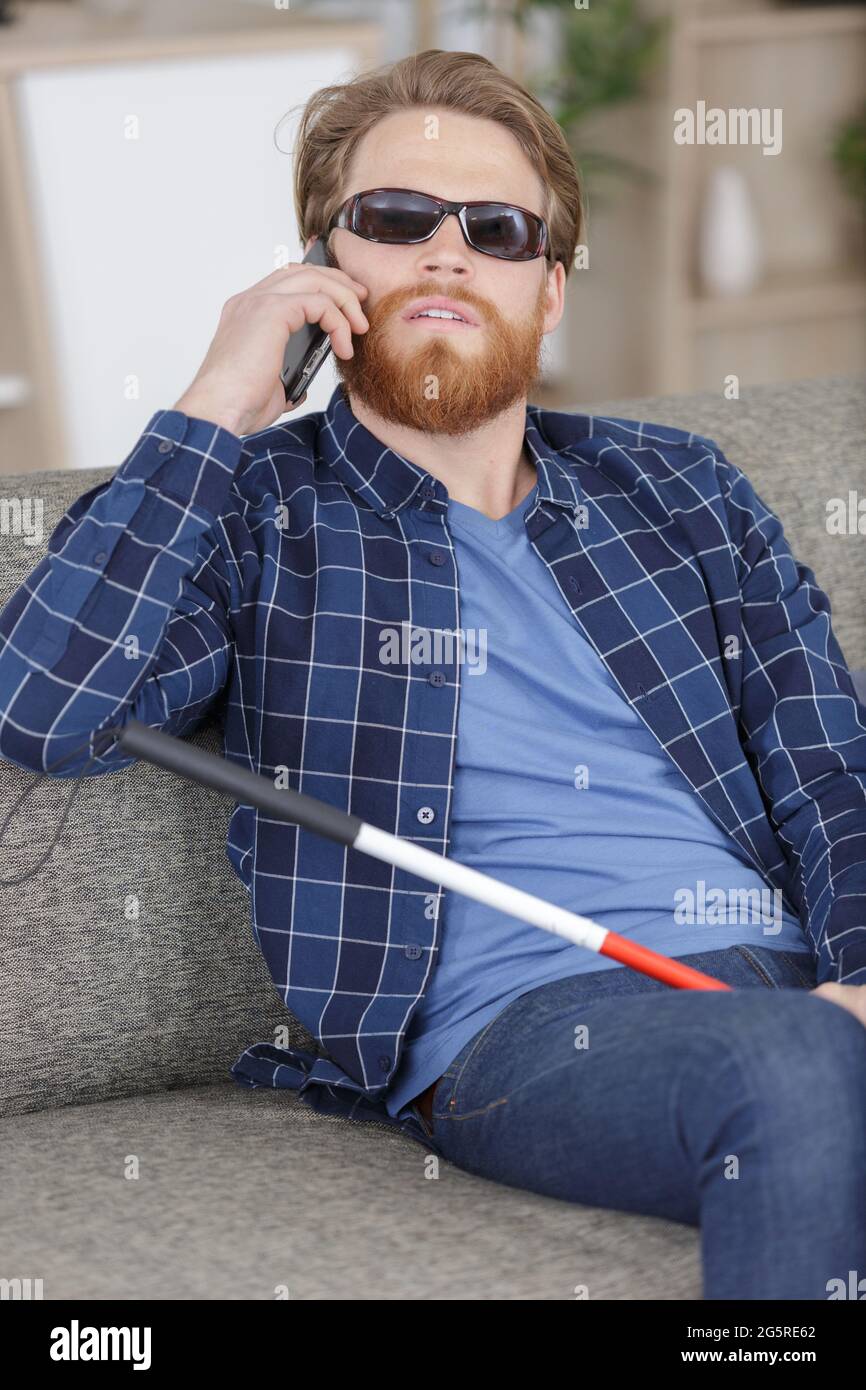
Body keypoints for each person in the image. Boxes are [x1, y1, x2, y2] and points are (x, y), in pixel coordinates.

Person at [1, 49, 864, 1300]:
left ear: (549, 289)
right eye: (397, 220)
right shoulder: (252, 515)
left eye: (496, 230)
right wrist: (215, 403)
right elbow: (41, 701)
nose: (446, 254)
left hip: (790, 976)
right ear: (323, 270)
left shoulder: (679, 487)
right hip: (534, 1027)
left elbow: (831, 768)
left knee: (808, 1052)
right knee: (791, 1070)